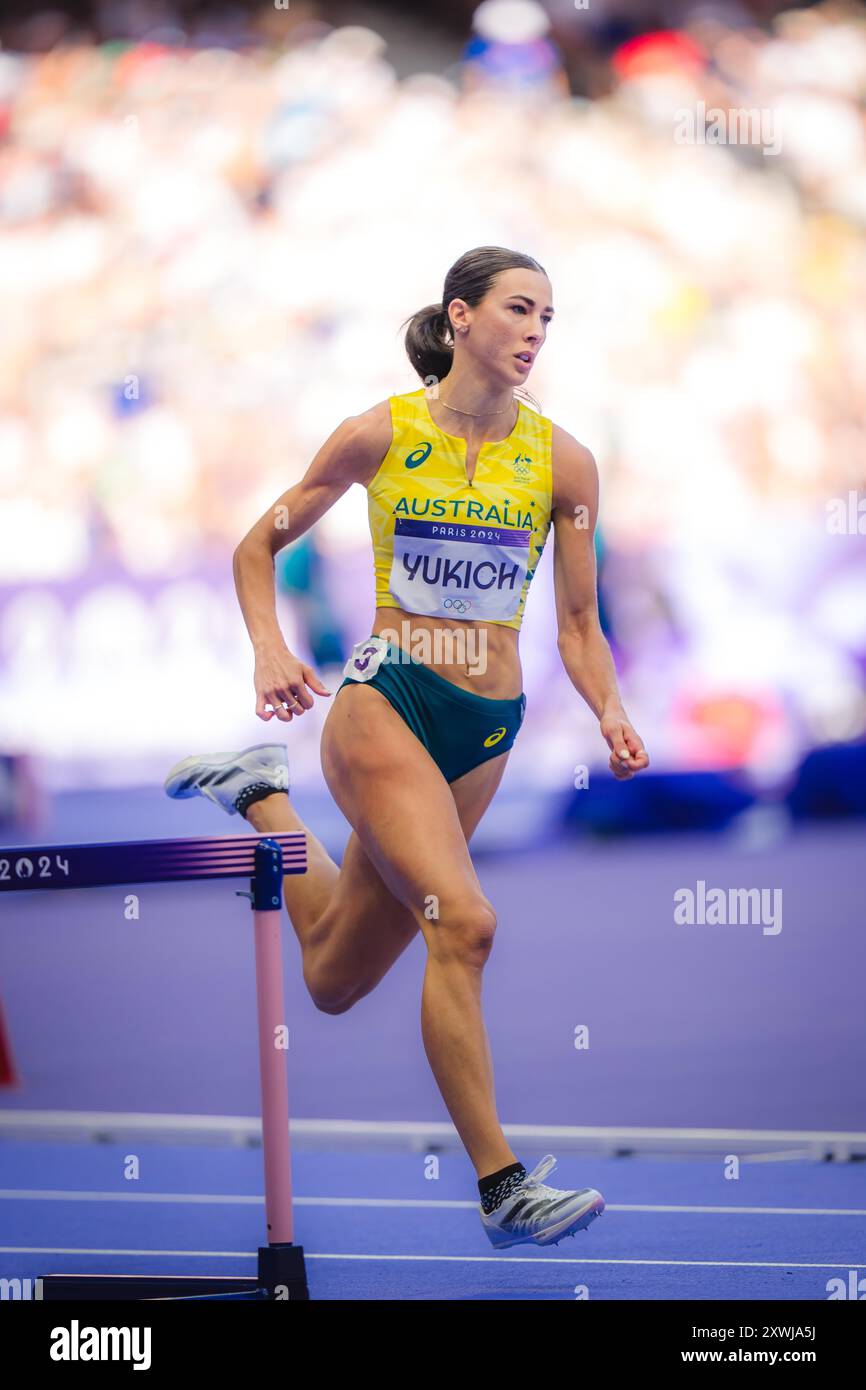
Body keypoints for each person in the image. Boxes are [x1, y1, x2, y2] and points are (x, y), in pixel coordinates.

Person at [165, 245, 650, 1249]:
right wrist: (268, 650)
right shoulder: (378, 433)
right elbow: (257, 543)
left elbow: (574, 625)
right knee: (462, 923)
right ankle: (500, 1185)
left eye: (548, 318)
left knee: (334, 981)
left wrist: (608, 707)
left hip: (483, 727)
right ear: (459, 317)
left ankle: (264, 801)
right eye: (518, 309)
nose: (534, 331)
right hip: (384, 700)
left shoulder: (565, 463)